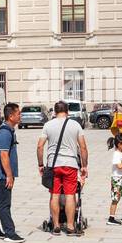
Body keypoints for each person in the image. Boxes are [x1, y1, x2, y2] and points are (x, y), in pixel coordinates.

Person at [37, 100, 88, 235]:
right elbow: (83, 147)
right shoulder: (75, 125)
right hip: (70, 164)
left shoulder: (48, 125)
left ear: (54, 111)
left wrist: (41, 164)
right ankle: (70, 226)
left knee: (55, 195)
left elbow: (40, 146)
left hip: (53, 165)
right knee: (70, 195)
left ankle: (56, 226)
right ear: (67, 111)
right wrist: (84, 166)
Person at [0, 103, 25, 242]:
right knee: (4, 203)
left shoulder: (8, 130)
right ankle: (10, 233)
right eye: (18, 113)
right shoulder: (5, 133)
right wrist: (9, 175)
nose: (20, 116)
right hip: (2, 174)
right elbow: (4, 156)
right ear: (11, 116)